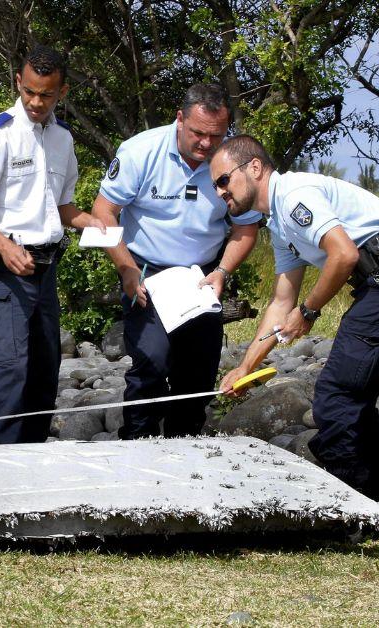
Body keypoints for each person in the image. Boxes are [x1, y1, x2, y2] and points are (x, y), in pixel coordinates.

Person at [211, 135, 379, 510]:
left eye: (223, 181)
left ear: (253, 168)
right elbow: (282, 302)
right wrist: (245, 367)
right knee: (349, 398)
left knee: (336, 398)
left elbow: (343, 255)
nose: (220, 192)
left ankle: (364, 506)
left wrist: (310, 312)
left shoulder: (295, 193)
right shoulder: (280, 224)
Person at [0, 45, 104, 444]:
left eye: (46, 95)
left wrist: (96, 223)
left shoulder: (62, 139)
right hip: (5, 269)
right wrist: (4, 246)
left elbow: (62, 206)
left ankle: (33, 462)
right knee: (9, 368)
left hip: (46, 268)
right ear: (19, 82)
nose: (36, 102)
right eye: (30, 92)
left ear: (62, 92)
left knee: (43, 369)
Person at [91, 84, 260, 439]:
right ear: (180, 119)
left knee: (198, 373)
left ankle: (185, 448)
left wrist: (223, 271)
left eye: (215, 135)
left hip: (201, 276)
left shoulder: (232, 164)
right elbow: (103, 212)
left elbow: (245, 229)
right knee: (151, 361)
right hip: (145, 271)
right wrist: (125, 268)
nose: (205, 144)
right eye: (198, 133)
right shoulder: (140, 151)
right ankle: (137, 443)